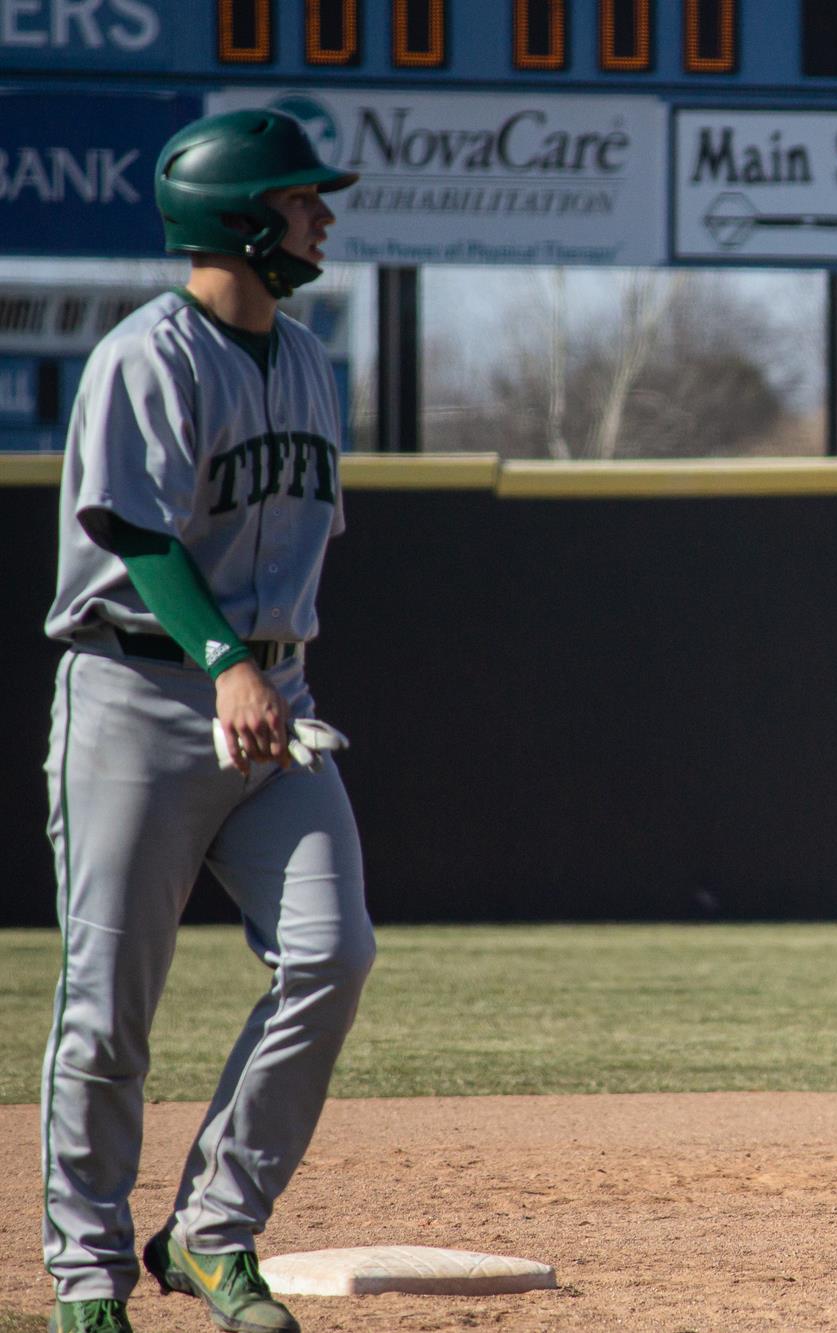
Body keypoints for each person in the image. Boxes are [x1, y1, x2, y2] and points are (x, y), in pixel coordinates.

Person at [38, 108, 375, 1333]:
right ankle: (87, 1275)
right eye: (301, 199)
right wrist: (227, 656)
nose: (322, 216)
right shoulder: (147, 354)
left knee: (331, 955)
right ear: (242, 221)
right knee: (110, 1001)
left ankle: (207, 1231)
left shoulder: (309, 357)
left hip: (273, 701)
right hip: (137, 693)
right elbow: (132, 529)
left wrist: (262, 671)